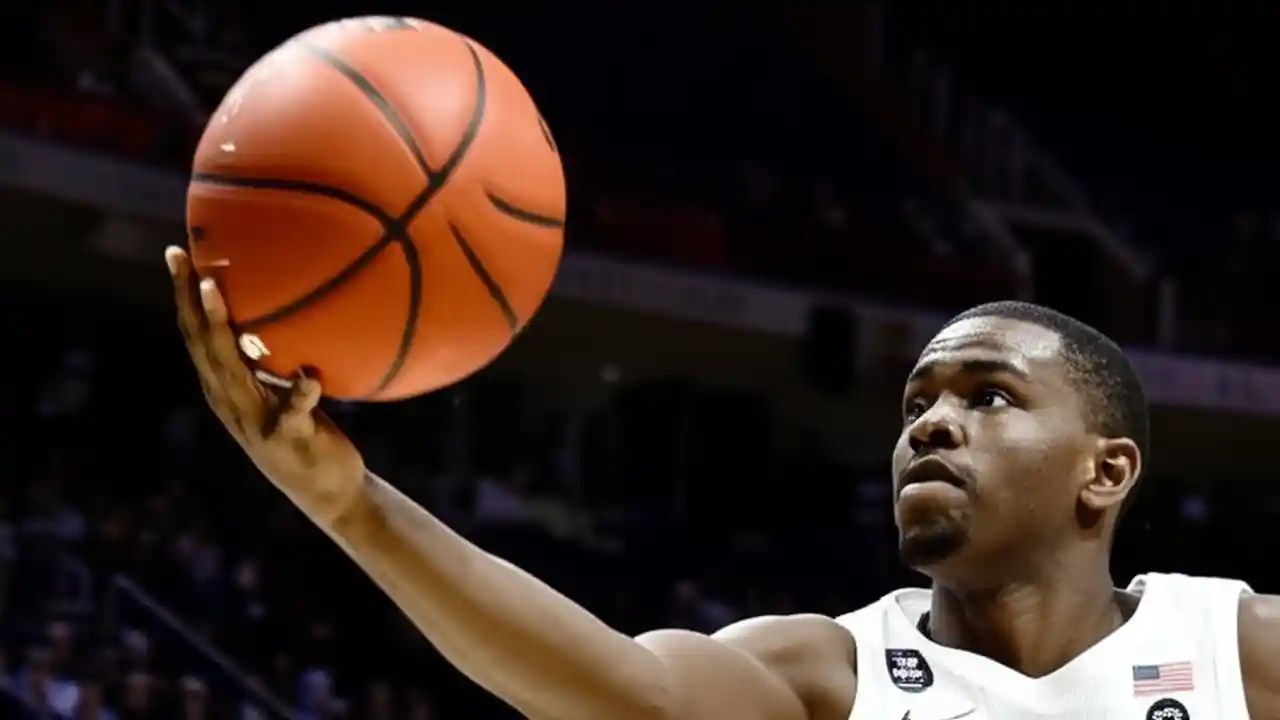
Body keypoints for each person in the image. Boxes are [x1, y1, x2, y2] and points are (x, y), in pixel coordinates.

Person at [164, 245, 1280, 719]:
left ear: (1105, 471)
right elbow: (608, 688)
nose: (931, 423)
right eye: (914, 405)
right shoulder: (829, 675)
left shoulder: (1237, 651)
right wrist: (342, 499)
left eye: (986, 397)